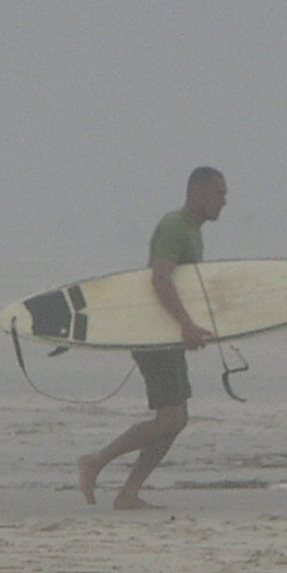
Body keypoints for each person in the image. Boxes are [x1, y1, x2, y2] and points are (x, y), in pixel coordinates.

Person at [77, 167, 227, 509]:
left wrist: (192, 325)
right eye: (219, 194)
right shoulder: (175, 226)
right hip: (153, 334)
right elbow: (160, 278)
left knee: (176, 420)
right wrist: (186, 325)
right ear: (199, 192)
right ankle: (95, 462)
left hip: (167, 334)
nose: (224, 201)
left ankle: (129, 493)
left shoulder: (193, 230)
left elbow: (184, 285)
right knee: (171, 418)